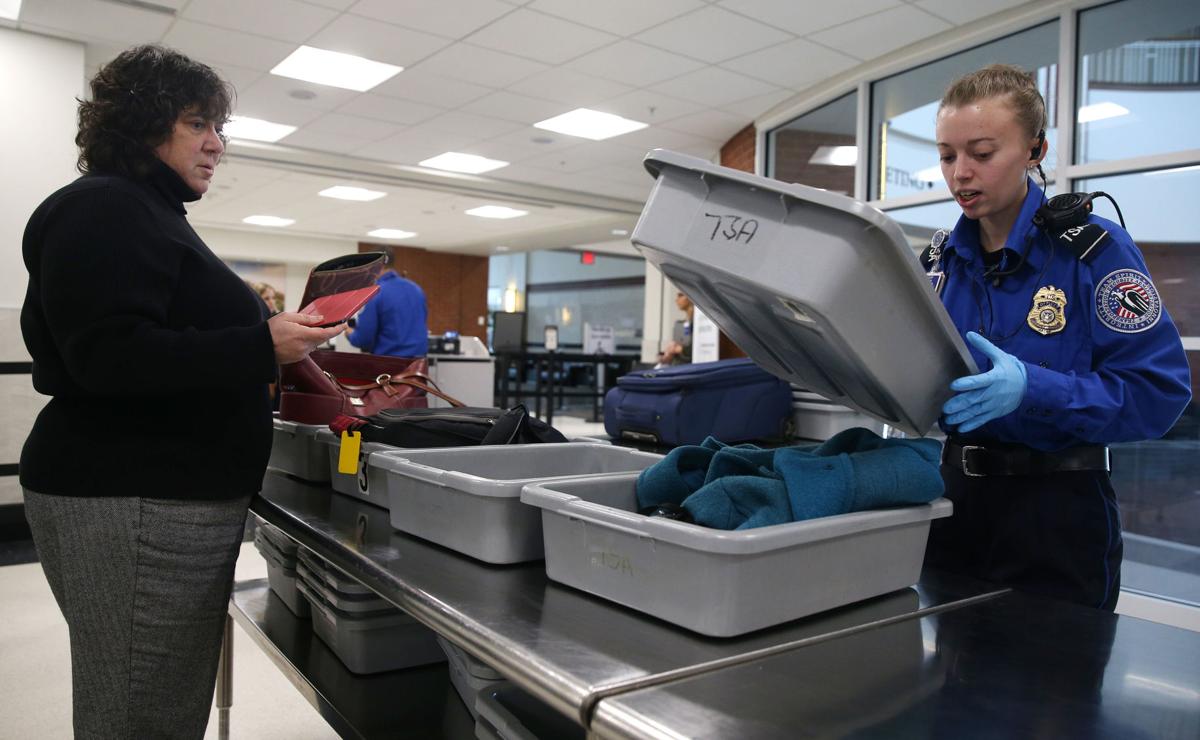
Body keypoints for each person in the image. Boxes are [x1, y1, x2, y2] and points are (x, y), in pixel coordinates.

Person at [19, 45, 344, 738]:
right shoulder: (106, 207)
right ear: (143, 124)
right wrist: (262, 344)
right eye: (199, 124)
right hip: (133, 501)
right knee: (142, 713)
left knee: (150, 698)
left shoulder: (145, 212)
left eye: (217, 127)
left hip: (151, 498)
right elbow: (107, 357)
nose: (217, 145)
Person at [921, 64, 1191, 611]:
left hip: (1056, 513)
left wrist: (1035, 390)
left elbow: (1158, 393)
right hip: (952, 503)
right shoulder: (937, 263)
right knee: (946, 685)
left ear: (1036, 150)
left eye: (982, 153)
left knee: (1052, 691)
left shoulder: (1094, 252)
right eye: (948, 156)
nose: (961, 174)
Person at [345, 268, 428, 356]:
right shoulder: (416, 289)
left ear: (377, 265)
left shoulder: (375, 292)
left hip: (390, 363)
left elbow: (363, 340)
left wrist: (348, 332)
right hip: (419, 363)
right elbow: (423, 319)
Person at [657, 291, 694, 366]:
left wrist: (677, 349)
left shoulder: (698, 323)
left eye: (680, 295)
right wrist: (667, 354)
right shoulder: (681, 323)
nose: (676, 299)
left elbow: (695, 348)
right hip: (677, 366)